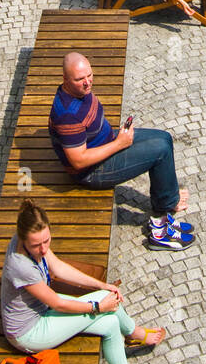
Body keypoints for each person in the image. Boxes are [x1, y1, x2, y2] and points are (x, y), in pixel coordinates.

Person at [1, 200, 166, 364]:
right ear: (24, 239)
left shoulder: (29, 240)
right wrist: (98, 305)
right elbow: (58, 303)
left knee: (111, 323)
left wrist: (102, 285)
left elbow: (59, 268)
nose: (43, 249)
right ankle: (134, 333)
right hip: (29, 332)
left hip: (43, 310)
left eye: (47, 241)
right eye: (37, 245)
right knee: (103, 303)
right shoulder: (20, 266)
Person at [49, 51, 194, 249]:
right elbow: (78, 161)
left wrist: (119, 137)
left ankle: (168, 196)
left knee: (164, 138)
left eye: (89, 76)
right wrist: (119, 144)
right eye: (80, 79)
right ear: (65, 79)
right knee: (160, 150)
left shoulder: (78, 91)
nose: (87, 83)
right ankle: (165, 209)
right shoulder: (68, 115)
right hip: (93, 170)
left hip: (109, 143)